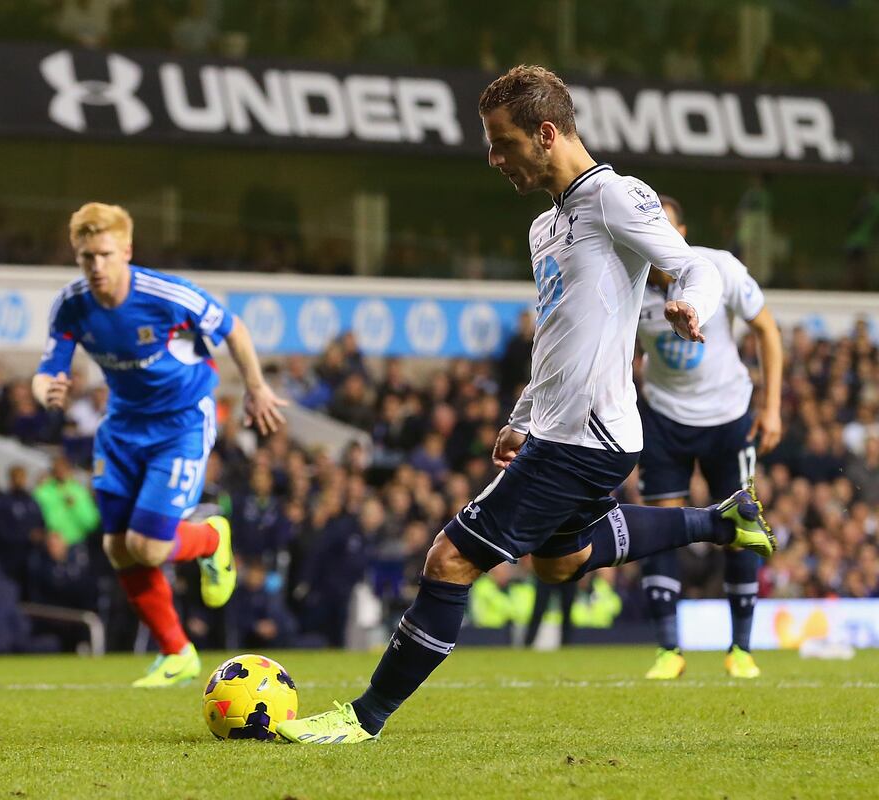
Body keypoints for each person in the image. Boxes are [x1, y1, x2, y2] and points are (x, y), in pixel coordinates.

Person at [277, 65, 774, 745]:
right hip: (567, 429)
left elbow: (698, 265)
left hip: (587, 435)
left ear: (546, 134)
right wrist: (522, 416)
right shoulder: (547, 227)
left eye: (502, 142)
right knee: (559, 562)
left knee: (449, 560)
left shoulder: (614, 196)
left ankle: (363, 719)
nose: (494, 159)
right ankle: (721, 523)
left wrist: (692, 304)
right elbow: (559, 332)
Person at [33, 202, 286, 687]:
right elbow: (49, 368)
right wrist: (46, 389)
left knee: (147, 547)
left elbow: (234, 328)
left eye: (105, 254)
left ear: (126, 250)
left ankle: (212, 539)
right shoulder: (70, 304)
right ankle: (177, 653)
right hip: (123, 427)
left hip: (180, 425)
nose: (96, 267)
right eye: (86, 257)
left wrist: (255, 387)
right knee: (116, 546)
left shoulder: (165, 294)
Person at [636, 194, 784, 681]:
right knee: (661, 527)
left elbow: (766, 329)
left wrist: (771, 407)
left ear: (680, 234)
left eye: (666, 227)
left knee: (741, 523)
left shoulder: (718, 268)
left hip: (728, 415)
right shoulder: (627, 283)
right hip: (663, 418)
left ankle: (740, 649)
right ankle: (668, 652)